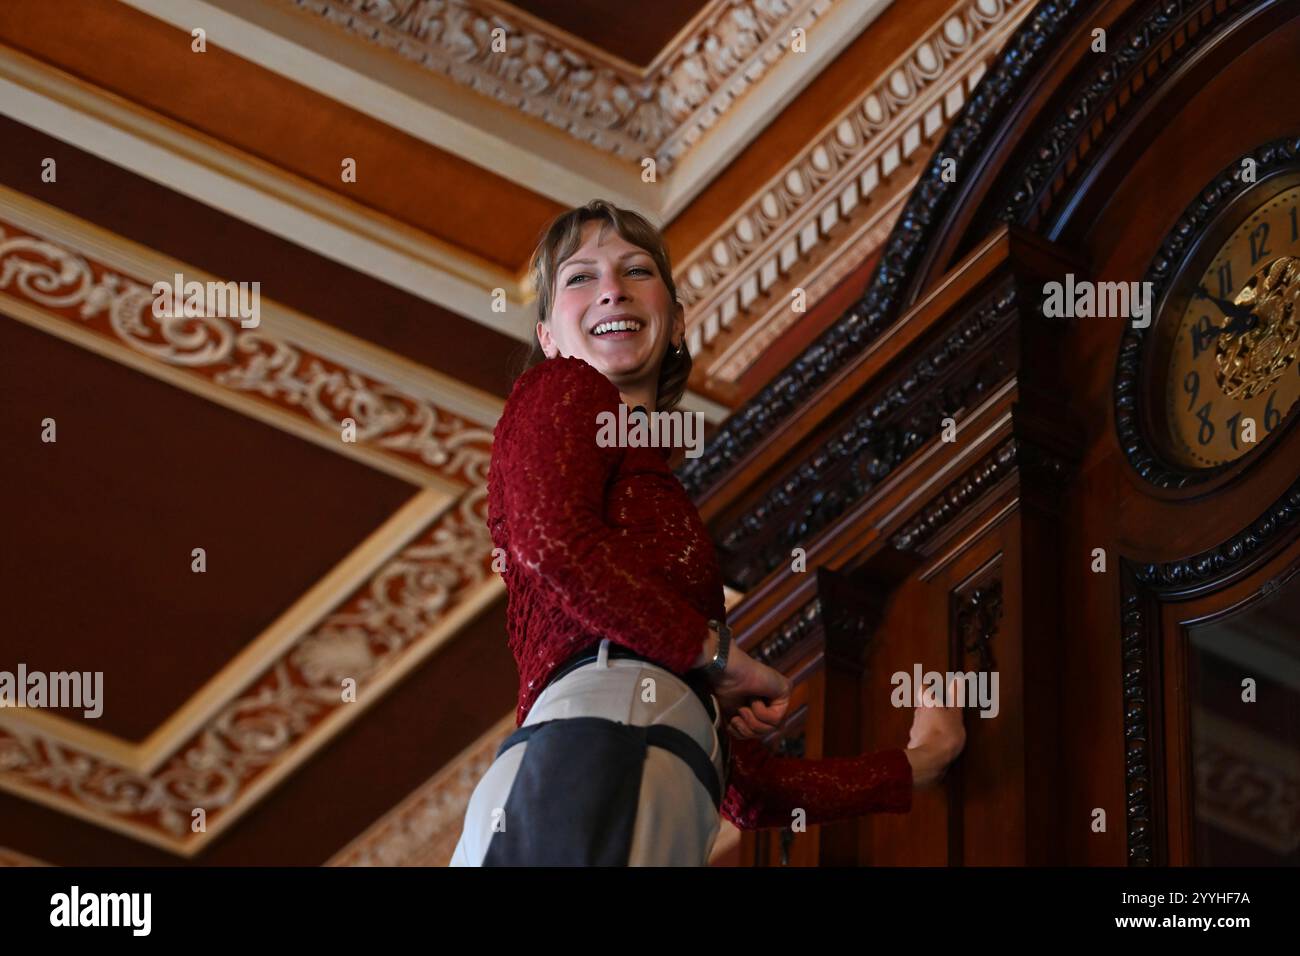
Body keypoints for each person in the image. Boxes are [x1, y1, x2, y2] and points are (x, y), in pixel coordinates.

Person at [449, 200, 965, 866]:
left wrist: (918, 764)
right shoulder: (562, 387)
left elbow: (747, 791)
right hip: (596, 747)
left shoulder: (648, 498)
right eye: (580, 277)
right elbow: (551, 545)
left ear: (676, 321)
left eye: (637, 270)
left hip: (639, 763)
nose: (612, 288)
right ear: (548, 337)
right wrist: (717, 656)